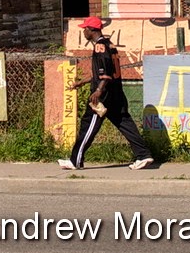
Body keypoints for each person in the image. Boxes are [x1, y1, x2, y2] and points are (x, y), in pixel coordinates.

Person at [60, 16, 155, 170]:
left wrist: (98, 90)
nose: (84, 31)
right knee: (124, 123)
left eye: (85, 28)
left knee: (88, 124)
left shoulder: (100, 47)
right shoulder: (110, 45)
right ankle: (143, 155)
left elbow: (105, 73)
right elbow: (102, 72)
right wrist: (82, 82)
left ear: (91, 30)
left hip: (103, 95)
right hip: (116, 92)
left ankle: (75, 160)